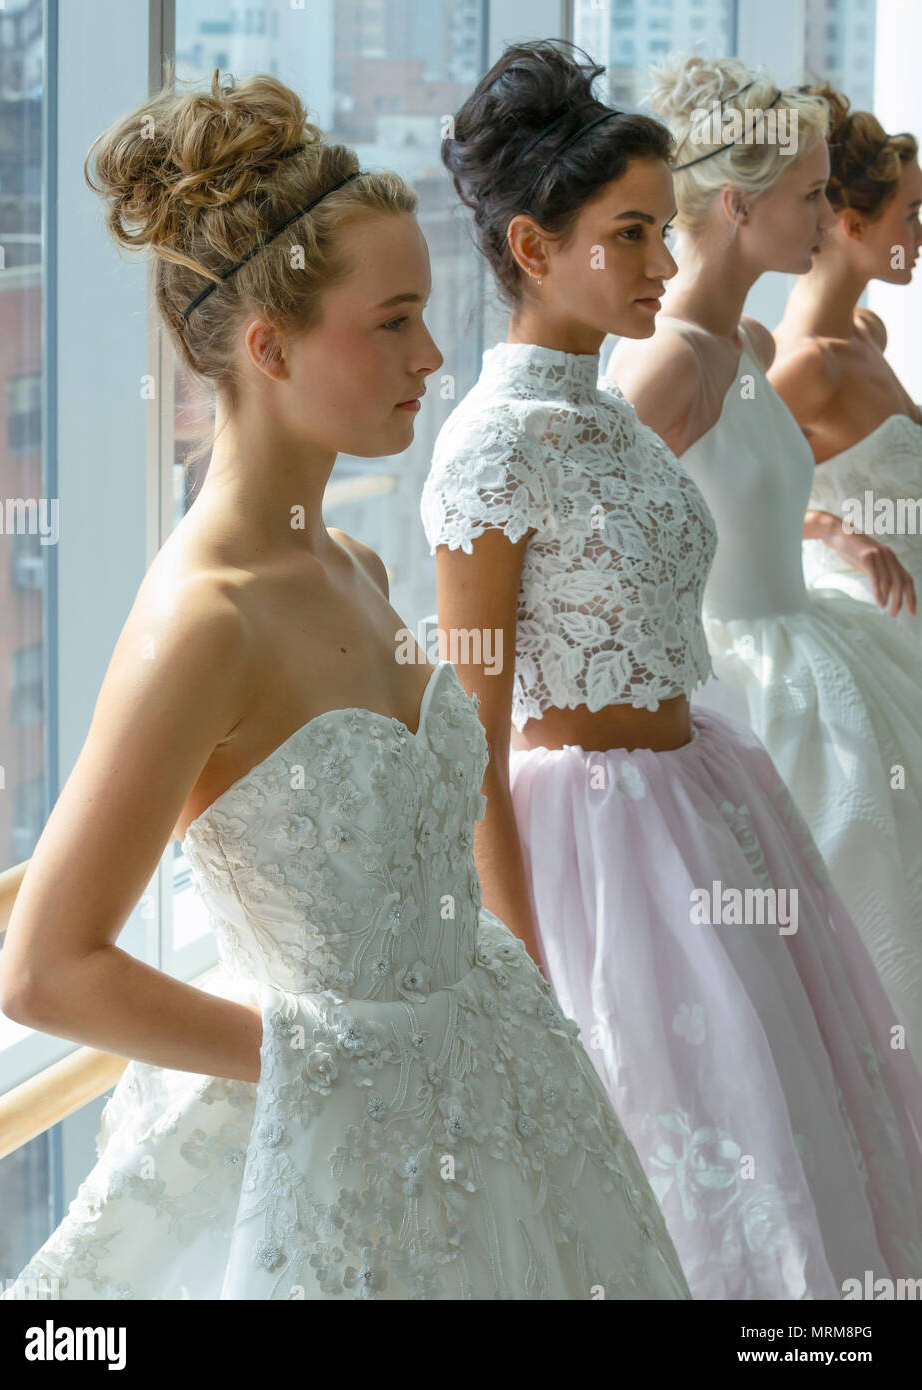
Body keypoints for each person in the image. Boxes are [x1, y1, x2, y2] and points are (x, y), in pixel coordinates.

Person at [0, 68, 690, 1302]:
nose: (432, 353)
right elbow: (47, 967)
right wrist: (319, 1062)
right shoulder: (203, 622)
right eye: (393, 320)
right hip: (338, 1155)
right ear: (268, 346)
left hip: (499, 1097)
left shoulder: (354, 557)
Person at [421, 39, 922, 1300]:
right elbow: (471, 738)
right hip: (598, 850)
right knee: (688, 1177)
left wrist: (822, 530)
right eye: (630, 234)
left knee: (798, 1145)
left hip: (710, 794)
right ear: (532, 250)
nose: (661, 260)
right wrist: (522, 974)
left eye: (661, 229)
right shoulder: (490, 450)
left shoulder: (604, 408)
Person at [609, 53, 922, 1077]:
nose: (826, 212)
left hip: (812, 645)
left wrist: (829, 532)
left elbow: (747, 492)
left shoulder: (741, 337)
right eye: (810, 192)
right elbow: (595, 545)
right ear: (740, 206)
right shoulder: (664, 358)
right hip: (740, 684)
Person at [768, 83, 921, 647]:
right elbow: (720, 502)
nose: (920, 236)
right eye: (912, 215)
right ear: (853, 225)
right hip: (876, 630)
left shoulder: (866, 331)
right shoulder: (807, 366)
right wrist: (832, 530)